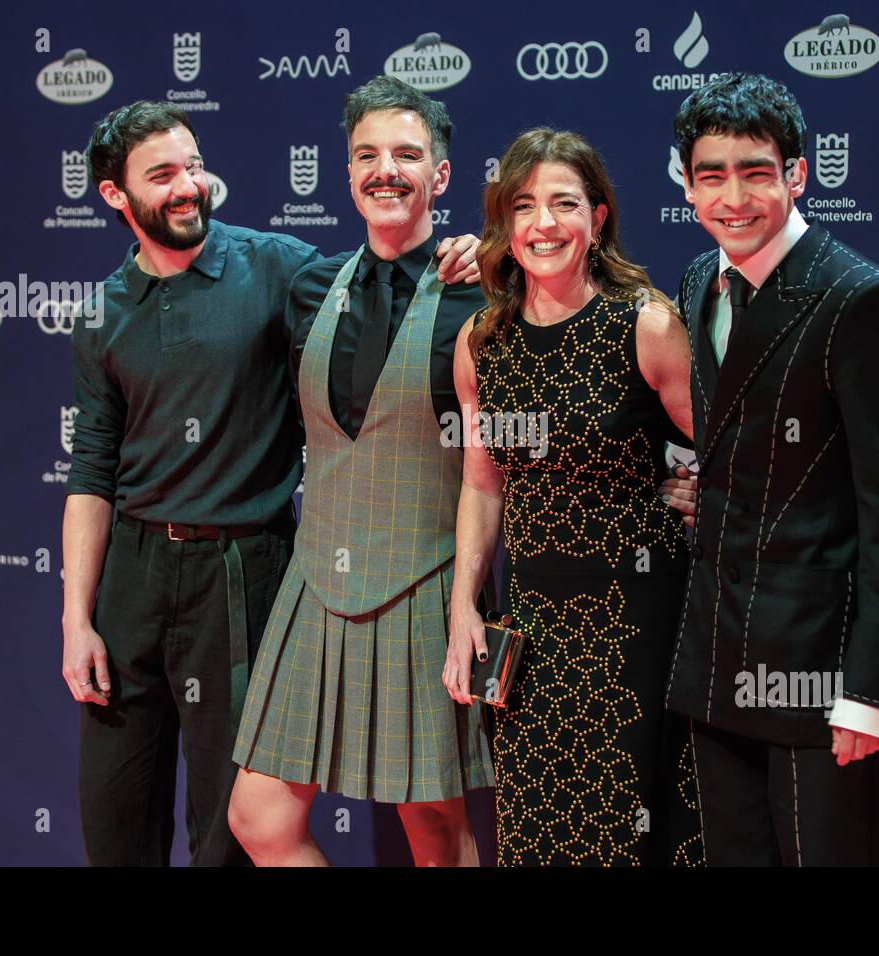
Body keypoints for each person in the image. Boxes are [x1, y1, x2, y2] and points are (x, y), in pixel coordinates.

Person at [62, 100, 478, 866]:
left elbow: (401, 277)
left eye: (194, 166)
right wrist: (75, 616)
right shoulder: (104, 315)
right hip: (152, 576)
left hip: (257, 573)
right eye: (164, 175)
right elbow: (90, 468)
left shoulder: (282, 269)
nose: (189, 186)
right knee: (148, 822)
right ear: (116, 196)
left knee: (248, 827)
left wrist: (479, 258)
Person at [663, 73, 879, 865]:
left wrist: (873, 689)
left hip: (817, 673)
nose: (733, 197)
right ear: (686, 185)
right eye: (710, 175)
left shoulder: (858, 299)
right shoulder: (694, 282)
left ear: (797, 175)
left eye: (755, 172)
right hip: (716, 655)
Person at [228, 76, 493, 867]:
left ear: (440, 177)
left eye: (407, 155)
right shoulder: (309, 285)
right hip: (318, 579)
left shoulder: (477, 293)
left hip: (425, 583)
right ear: (346, 174)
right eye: (367, 156)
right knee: (259, 819)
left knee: (435, 833)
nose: (386, 171)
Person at [443, 128, 706, 866]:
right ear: (504, 224)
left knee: (635, 825)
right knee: (535, 827)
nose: (544, 223)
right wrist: (465, 605)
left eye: (564, 203)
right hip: (531, 626)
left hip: (637, 623)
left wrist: (690, 491)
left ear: (599, 218)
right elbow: (482, 482)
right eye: (523, 206)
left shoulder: (646, 326)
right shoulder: (481, 341)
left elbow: (727, 452)